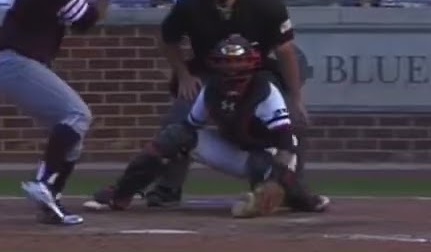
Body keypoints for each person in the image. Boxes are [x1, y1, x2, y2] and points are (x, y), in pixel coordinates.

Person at [84, 0, 322, 214]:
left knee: (293, 126)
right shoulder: (193, 11)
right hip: (208, 73)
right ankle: (160, 189)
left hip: (257, 78)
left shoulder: (265, 81)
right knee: (175, 128)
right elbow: (168, 40)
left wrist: (296, 96)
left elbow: (284, 53)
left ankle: (293, 190)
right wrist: (184, 75)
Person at [85, 35, 328, 218]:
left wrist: (277, 180)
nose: (232, 69)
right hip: (235, 151)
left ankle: (299, 196)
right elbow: (188, 129)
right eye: (227, 63)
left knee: (272, 174)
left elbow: (287, 143)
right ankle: (122, 192)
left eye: (238, 63)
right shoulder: (211, 89)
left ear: (250, 64)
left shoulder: (264, 91)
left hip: (270, 155)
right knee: (175, 135)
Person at [0, 0, 118, 226]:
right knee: (78, 114)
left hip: (19, 62)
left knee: (72, 135)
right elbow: (87, 22)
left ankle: (50, 204)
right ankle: (44, 182)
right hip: (15, 61)